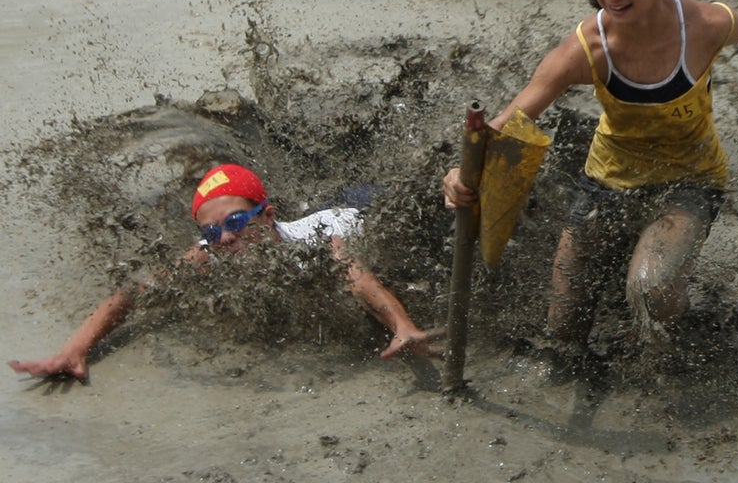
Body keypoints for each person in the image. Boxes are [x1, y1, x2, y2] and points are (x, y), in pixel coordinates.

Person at [442, 0, 738, 366]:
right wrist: (462, 169)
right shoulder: (586, 49)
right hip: (606, 184)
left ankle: (682, 358)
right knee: (562, 334)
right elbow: (513, 117)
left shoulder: (703, 27)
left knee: (650, 287)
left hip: (689, 181)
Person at [8, 164, 441, 383]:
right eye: (212, 230)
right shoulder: (209, 253)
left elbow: (356, 276)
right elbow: (134, 294)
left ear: (267, 216)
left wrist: (402, 326)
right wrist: (75, 349)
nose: (226, 239)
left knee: (431, 202)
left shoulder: (318, 239)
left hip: (367, 207)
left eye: (235, 223)